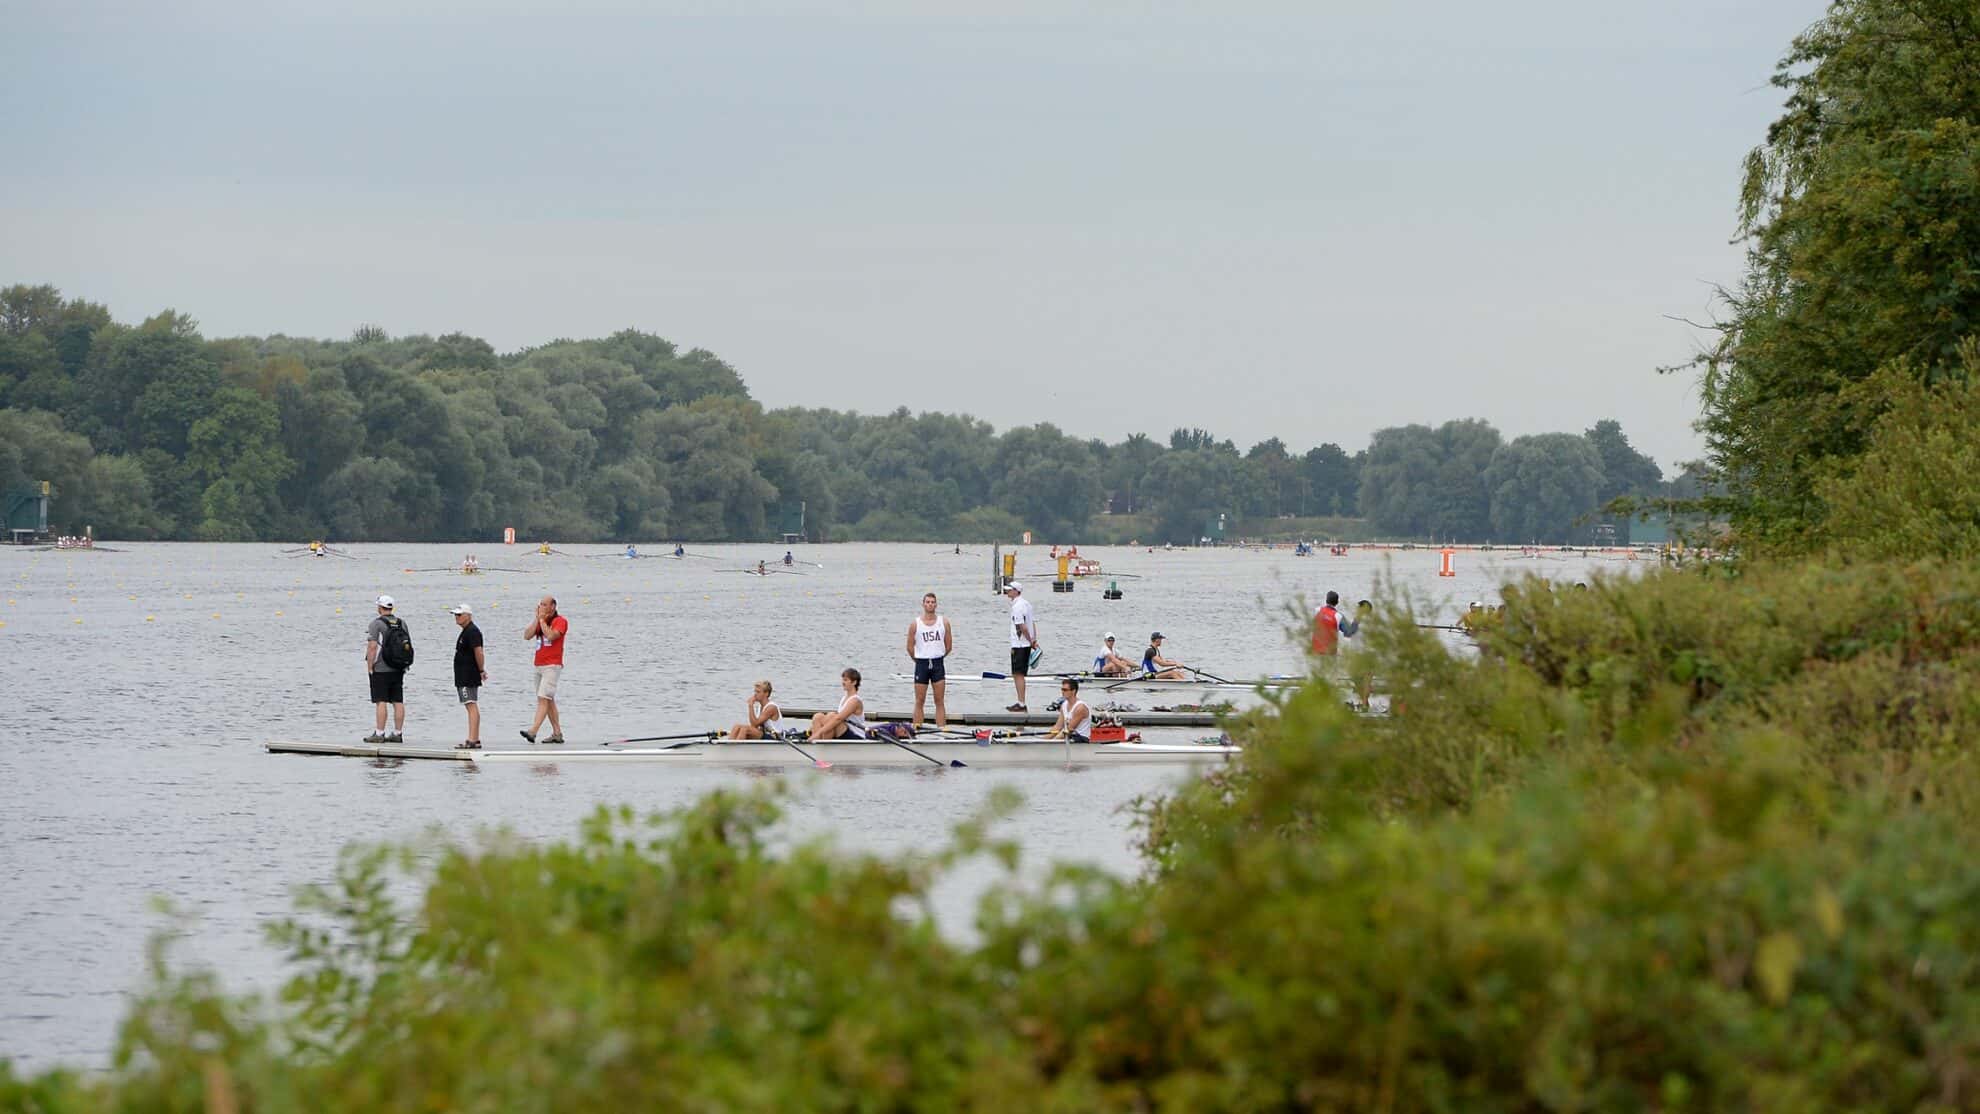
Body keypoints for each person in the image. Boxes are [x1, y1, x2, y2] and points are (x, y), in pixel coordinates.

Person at [520, 596, 568, 744]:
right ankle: (557, 733)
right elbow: (527, 635)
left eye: (545, 605)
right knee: (548, 699)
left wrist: (542, 621)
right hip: (539, 664)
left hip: (552, 666)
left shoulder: (560, 621)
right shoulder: (541, 620)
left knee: (543, 698)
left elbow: (552, 636)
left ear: (553, 606)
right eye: (540, 604)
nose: (542, 607)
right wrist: (537, 619)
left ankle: (533, 731)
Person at [363, 595, 408, 743]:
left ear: (379, 607)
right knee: (398, 700)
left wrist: (370, 666)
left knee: (381, 700)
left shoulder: (376, 624)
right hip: (399, 667)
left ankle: (379, 733)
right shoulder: (402, 623)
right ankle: (398, 733)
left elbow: (372, 647)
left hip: (382, 668)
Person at [906, 592, 953, 731]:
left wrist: (939, 656)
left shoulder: (943, 622)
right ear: (923, 604)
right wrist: (918, 659)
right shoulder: (916, 624)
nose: (930, 604)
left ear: (936, 604)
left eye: (932, 602)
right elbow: (909, 646)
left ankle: (941, 730)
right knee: (919, 701)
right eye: (928, 602)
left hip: (937, 663)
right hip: (922, 664)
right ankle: (916, 730)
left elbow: (949, 646)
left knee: (939, 700)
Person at [450, 604, 486, 749]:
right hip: (463, 673)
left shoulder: (472, 631)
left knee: (470, 704)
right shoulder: (466, 631)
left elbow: (479, 651)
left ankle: (472, 739)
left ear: (468, 616)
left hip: (468, 674)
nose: (456, 618)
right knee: (470, 705)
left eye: (459, 615)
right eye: (455, 615)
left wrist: (481, 670)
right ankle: (474, 738)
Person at [1004, 582, 1039, 711]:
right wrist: (1033, 640)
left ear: (1016, 591)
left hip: (1019, 644)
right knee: (1019, 673)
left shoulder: (1017, 607)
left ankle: (1021, 703)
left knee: (1018, 674)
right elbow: (1032, 623)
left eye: (1010, 590)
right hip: (1025, 644)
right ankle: (1021, 701)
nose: (1007, 592)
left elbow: (1022, 626)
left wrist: (1030, 641)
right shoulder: (1027, 604)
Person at [808, 668, 868, 740]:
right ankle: (816, 743)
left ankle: (820, 742)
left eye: (846, 680)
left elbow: (838, 719)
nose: (843, 682)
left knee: (831, 716)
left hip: (856, 734)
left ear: (854, 682)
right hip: (844, 730)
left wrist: (818, 733)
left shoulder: (855, 700)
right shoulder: (844, 698)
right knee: (818, 716)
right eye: (843, 680)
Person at [1044, 678, 1091, 743]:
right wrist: (1043, 739)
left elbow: (1069, 729)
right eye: (1062, 689)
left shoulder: (1080, 708)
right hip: (1070, 736)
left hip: (1081, 739)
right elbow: (1058, 727)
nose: (1062, 692)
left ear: (1073, 691)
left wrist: (1053, 742)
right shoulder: (1064, 705)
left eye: (1065, 690)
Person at [1312, 590, 1348, 655]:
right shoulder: (1338, 616)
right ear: (1337, 602)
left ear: (1326, 600)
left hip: (1315, 653)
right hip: (1330, 656)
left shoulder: (1317, 610)